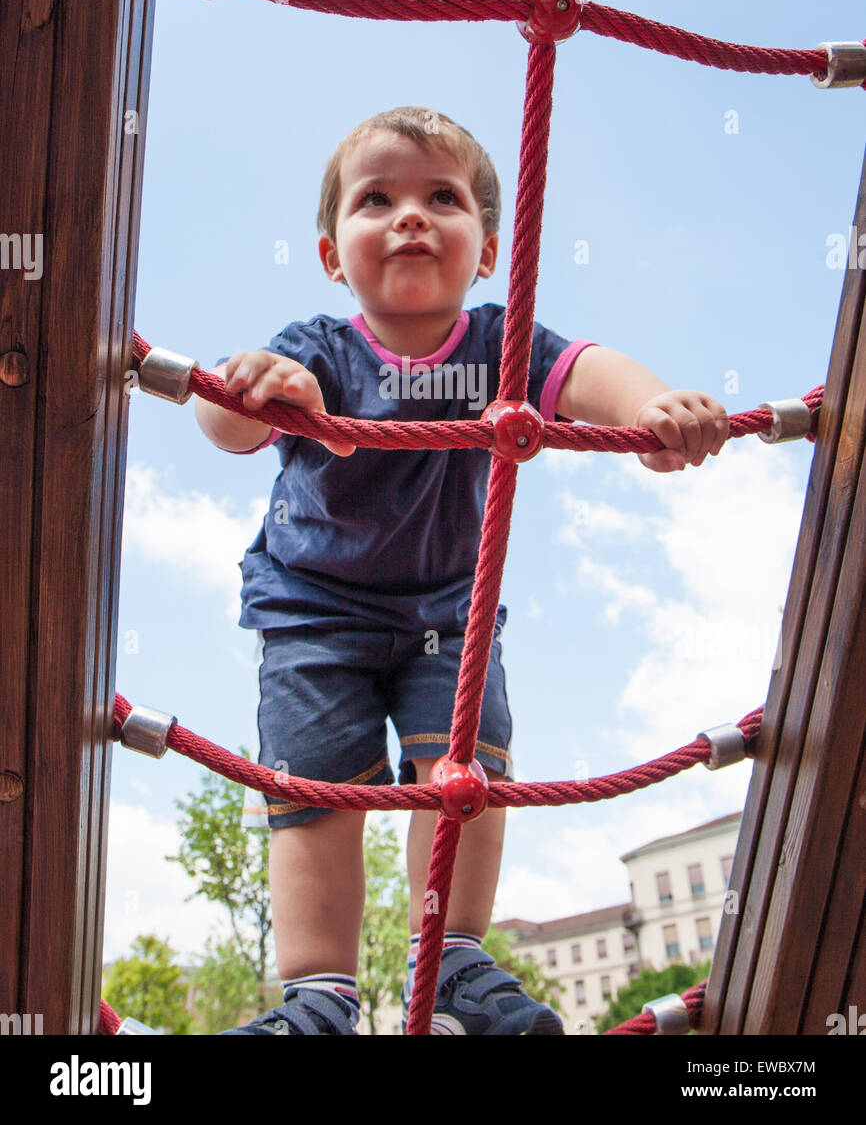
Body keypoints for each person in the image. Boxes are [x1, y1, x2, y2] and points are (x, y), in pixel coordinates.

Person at [193, 106, 729, 1035]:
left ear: (485, 251)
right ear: (332, 253)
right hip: (313, 610)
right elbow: (228, 426)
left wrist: (651, 411)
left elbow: (589, 370)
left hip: (450, 611)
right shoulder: (319, 345)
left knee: (465, 769)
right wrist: (260, 397)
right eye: (378, 198)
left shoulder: (497, 345)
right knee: (315, 788)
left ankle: (450, 968)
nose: (409, 215)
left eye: (442, 197)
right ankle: (318, 996)